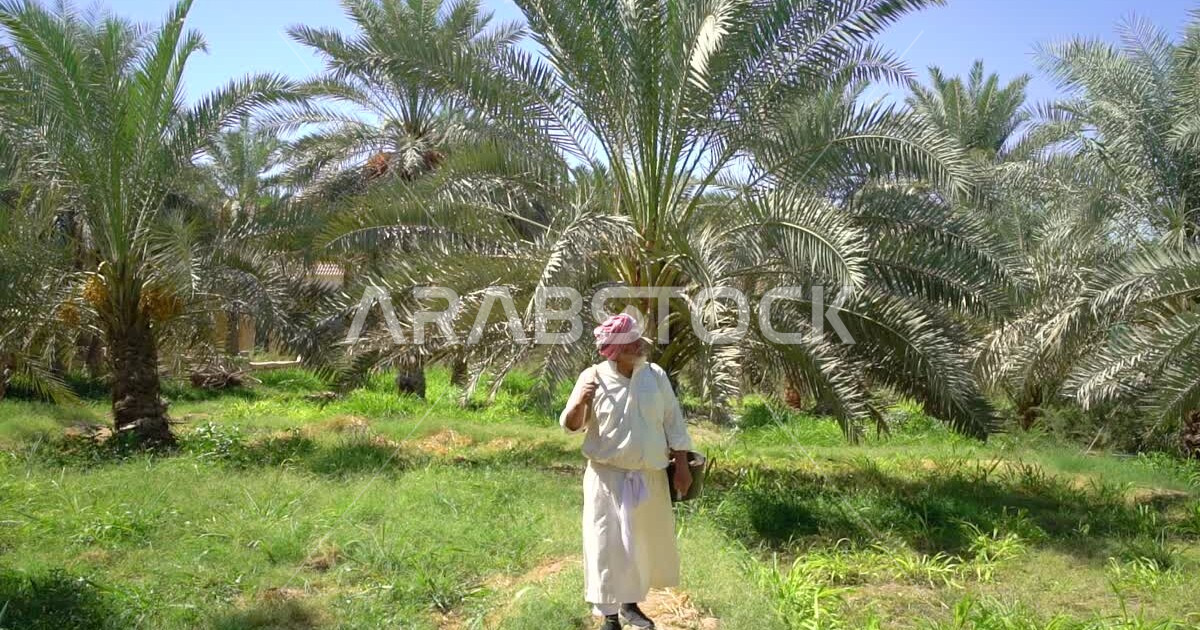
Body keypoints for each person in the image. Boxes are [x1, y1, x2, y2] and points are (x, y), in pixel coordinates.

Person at [560, 313, 694, 630]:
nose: (639, 345)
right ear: (614, 350)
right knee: (606, 546)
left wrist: (682, 466)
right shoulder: (592, 377)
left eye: (638, 339)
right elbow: (571, 425)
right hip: (607, 479)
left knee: (639, 544)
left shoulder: (655, 376)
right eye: (631, 342)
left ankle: (631, 606)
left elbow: (673, 422)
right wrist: (581, 401)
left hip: (648, 477)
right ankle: (609, 616)